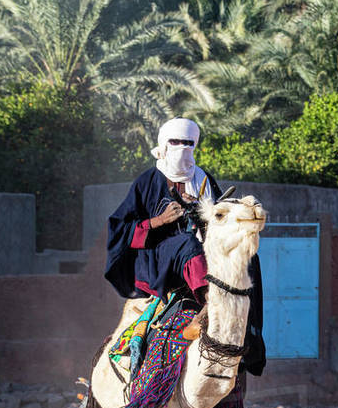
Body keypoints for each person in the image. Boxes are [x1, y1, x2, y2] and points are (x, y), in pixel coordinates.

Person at [105, 117, 265, 375]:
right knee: (185, 244)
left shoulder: (202, 178)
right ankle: (209, 304)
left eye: (188, 143)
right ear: (163, 145)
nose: (182, 148)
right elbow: (119, 228)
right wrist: (159, 221)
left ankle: (250, 334)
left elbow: (218, 219)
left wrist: (203, 212)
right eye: (176, 142)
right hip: (159, 257)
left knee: (248, 256)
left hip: (202, 252)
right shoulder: (148, 181)